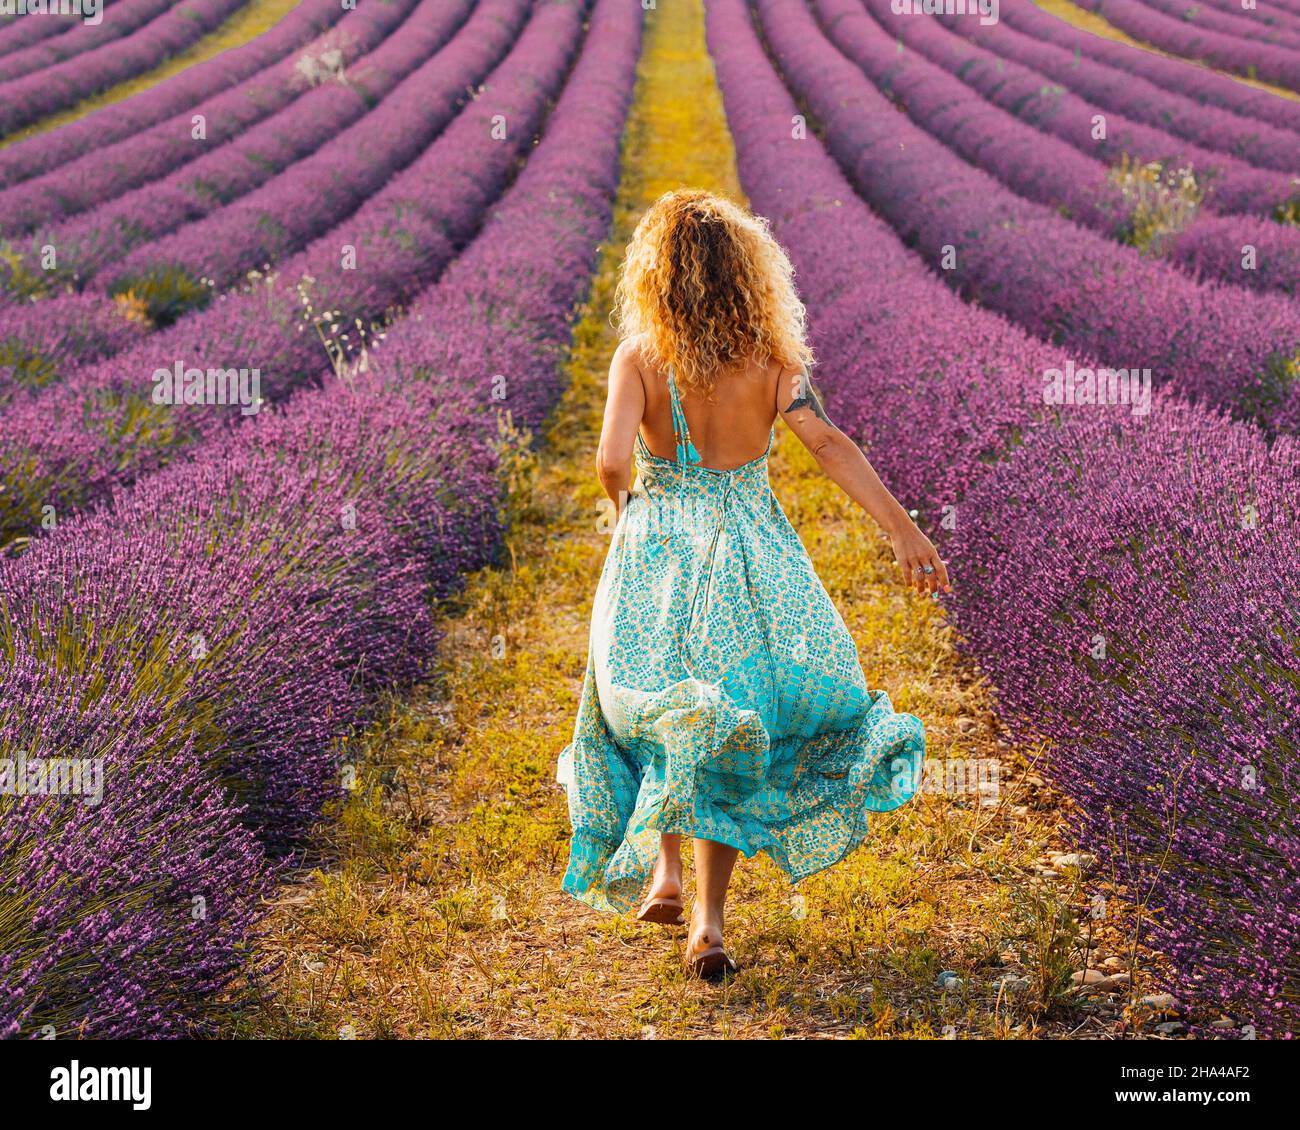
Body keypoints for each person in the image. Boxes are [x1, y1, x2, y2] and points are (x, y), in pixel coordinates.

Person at [556, 189, 947, 978]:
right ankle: (708, 922)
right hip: (750, 556)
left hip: (659, 546)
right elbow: (827, 445)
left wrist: (631, 510)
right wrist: (901, 528)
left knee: (668, 704)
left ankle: (662, 870)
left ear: (655, 276)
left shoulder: (638, 357)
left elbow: (608, 461)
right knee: (735, 717)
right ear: (746, 274)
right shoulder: (773, 361)